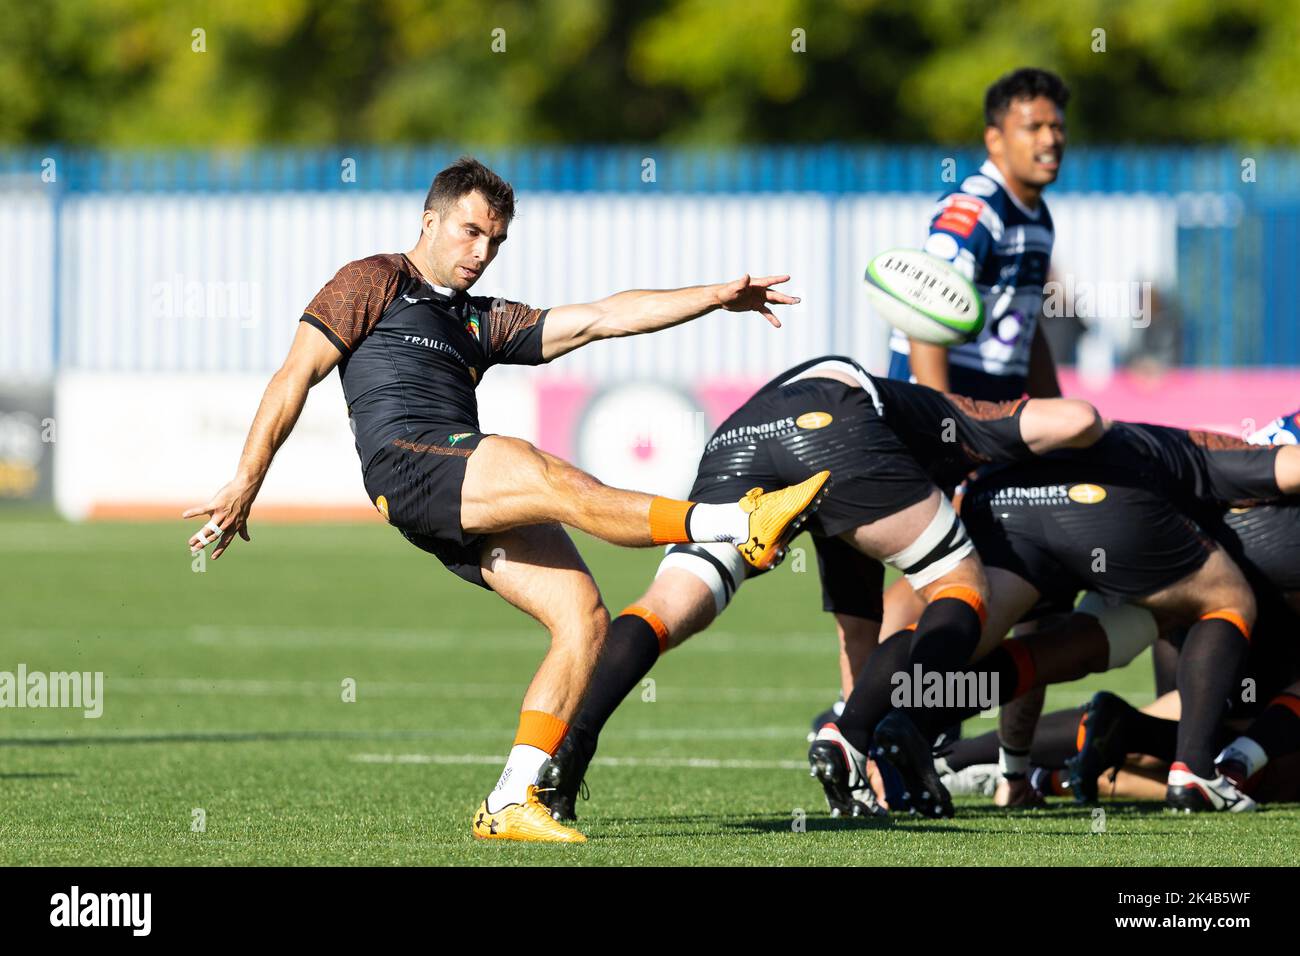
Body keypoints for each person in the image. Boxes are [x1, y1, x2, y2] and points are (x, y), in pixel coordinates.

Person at [183, 156, 824, 844]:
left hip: (457, 487)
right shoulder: (372, 280)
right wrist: (247, 479)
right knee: (551, 477)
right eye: (469, 233)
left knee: (584, 617)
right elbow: (294, 375)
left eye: (495, 241)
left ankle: (511, 798)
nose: (481, 253)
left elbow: (601, 318)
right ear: (429, 221)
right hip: (407, 464)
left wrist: (713, 297)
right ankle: (736, 522)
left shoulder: (481, 322)